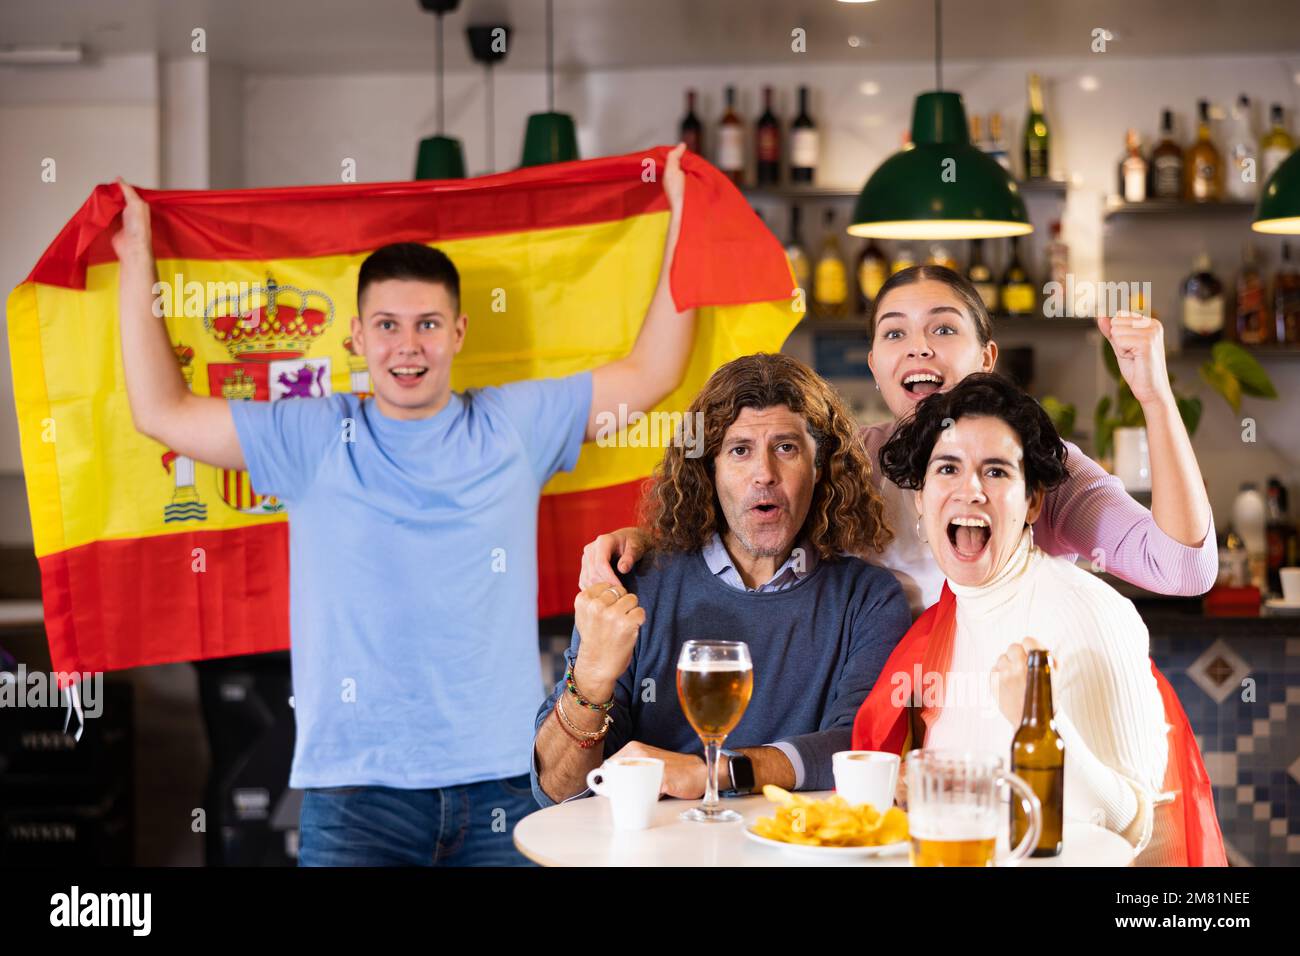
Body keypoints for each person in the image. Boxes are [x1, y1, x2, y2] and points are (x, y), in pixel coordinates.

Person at [112, 146, 698, 866]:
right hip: (358, 794)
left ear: (457, 334)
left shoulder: (514, 424)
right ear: (357, 337)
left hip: (508, 780)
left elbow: (655, 370)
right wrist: (137, 254)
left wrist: (684, 217)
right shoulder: (313, 434)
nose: (407, 345)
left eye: (427, 324)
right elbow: (161, 411)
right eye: (386, 324)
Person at [579, 266, 1218, 616]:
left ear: (987, 357)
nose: (917, 346)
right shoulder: (842, 462)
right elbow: (740, 527)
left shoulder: (1043, 472)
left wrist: (1157, 398)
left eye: (943, 329)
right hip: (869, 746)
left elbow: (1185, 569)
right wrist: (646, 545)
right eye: (894, 334)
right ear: (877, 366)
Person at [851, 372, 1226, 866]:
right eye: (947, 469)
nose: (971, 491)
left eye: (997, 472)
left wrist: (1046, 726)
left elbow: (1132, 827)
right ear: (920, 498)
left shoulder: (1088, 612)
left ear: (1033, 502)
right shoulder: (947, 620)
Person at [531, 354, 910, 806]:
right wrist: (590, 680)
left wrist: (715, 772)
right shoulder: (635, 585)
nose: (764, 474)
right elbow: (556, 789)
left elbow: (858, 747)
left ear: (820, 465)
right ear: (708, 470)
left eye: (786, 447)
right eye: (739, 450)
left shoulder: (869, 599)